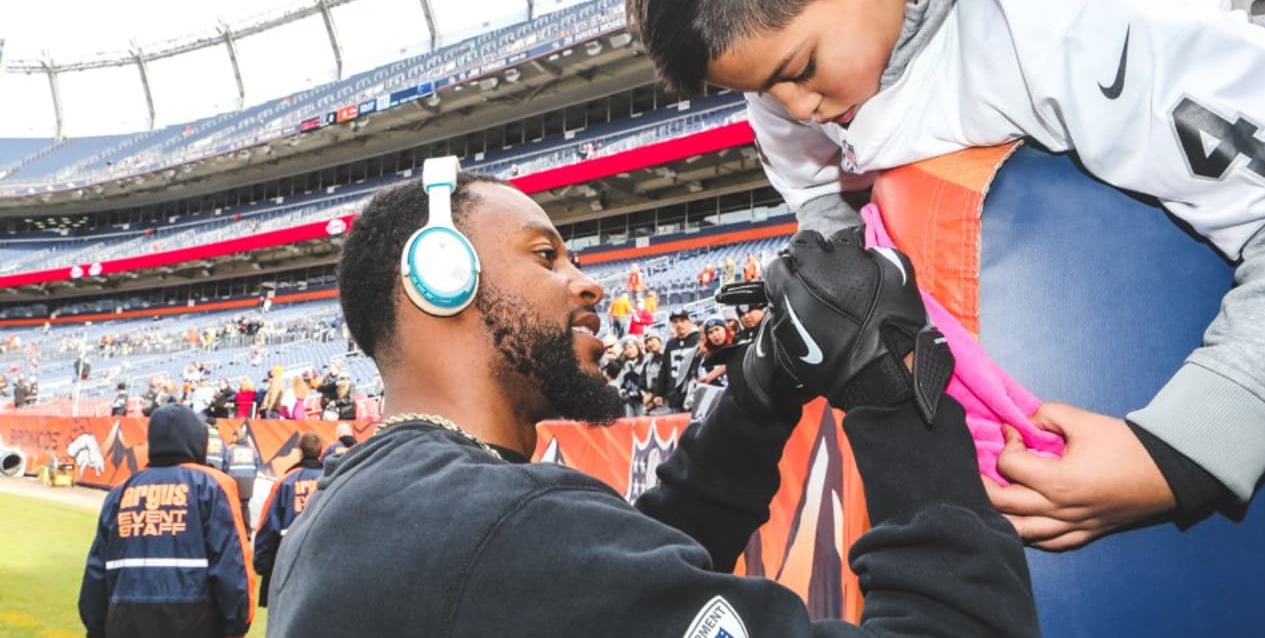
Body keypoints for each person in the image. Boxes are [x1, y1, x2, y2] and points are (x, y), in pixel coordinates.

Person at [626, 0, 1265, 548]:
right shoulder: (787, 73)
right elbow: (823, 201)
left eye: (799, 70)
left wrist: (1180, 450)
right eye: (761, 90)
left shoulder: (1063, 3)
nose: (796, 108)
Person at [265, 162, 1036, 636]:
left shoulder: (359, 512)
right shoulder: (500, 529)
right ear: (440, 277)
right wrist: (891, 387)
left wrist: (757, 396)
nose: (589, 284)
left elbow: (619, 574)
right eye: (546, 255)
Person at [79, 405, 254, 638]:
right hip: (196, 621)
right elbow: (232, 562)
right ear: (198, 441)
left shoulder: (120, 492)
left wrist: (96, 627)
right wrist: (237, 624)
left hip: (124, 621)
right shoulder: (214, 486)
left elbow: (97, 568)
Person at [254, 432, 324, 609]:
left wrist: (262, 561)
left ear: (300, 452)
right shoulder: (330, 479)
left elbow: (268, 523)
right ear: (320, 452)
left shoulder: (286, 481)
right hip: (320, 557)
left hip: (286, 556)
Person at [647, 306, 701, 414]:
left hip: (694, 394)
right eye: (675, 322)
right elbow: (664, 370)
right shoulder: (671, 344)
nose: (679, 324)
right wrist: (659, 393)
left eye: (682, 320)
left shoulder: (698, 340)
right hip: (675, 397)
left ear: (689, 322)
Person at [227, 425, 260, 532]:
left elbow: (225, 464)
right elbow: (257, 464)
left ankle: (234, 530)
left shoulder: (230, 449)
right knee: (245, 506)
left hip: (234, 479)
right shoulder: (252, 450)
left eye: (233, 436)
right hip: (248, 480)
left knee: (232, 505)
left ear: (237, 437)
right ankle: (247, 531)